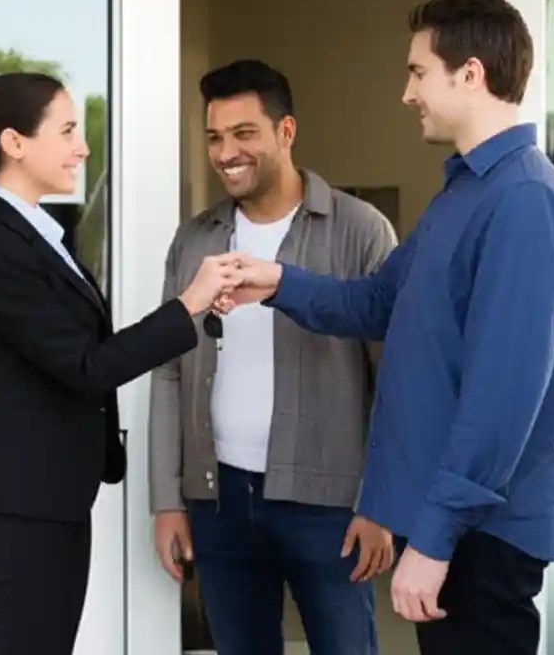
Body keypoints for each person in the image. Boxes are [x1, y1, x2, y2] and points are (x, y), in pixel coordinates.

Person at [220, 0, 554, 654]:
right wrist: (277, 281)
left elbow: (502, 396)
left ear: (469, 74)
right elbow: (379, 303)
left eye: (418, 72)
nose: (406, 92)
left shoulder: (526, 201)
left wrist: (438, 537)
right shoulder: (466, 193)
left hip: (484, 536)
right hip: (449, 525)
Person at [0, 71, 240, 655]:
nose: (83, 146)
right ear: (14, 143)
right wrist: (188, 305)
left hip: (46, 498)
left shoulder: (34, 231)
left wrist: (190, 309)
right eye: (68, 130)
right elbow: (87, 366)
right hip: (19, 507)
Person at [148, 59, 398, 654]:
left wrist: (383, 505)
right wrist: (167, 499)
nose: (226, 152)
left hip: (330, 508)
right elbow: (167, 372)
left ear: (286, 132)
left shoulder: (358, 230)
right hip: (219, 502)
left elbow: (398, 378)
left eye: (244, 133)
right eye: (214, 136)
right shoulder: (195, 238)